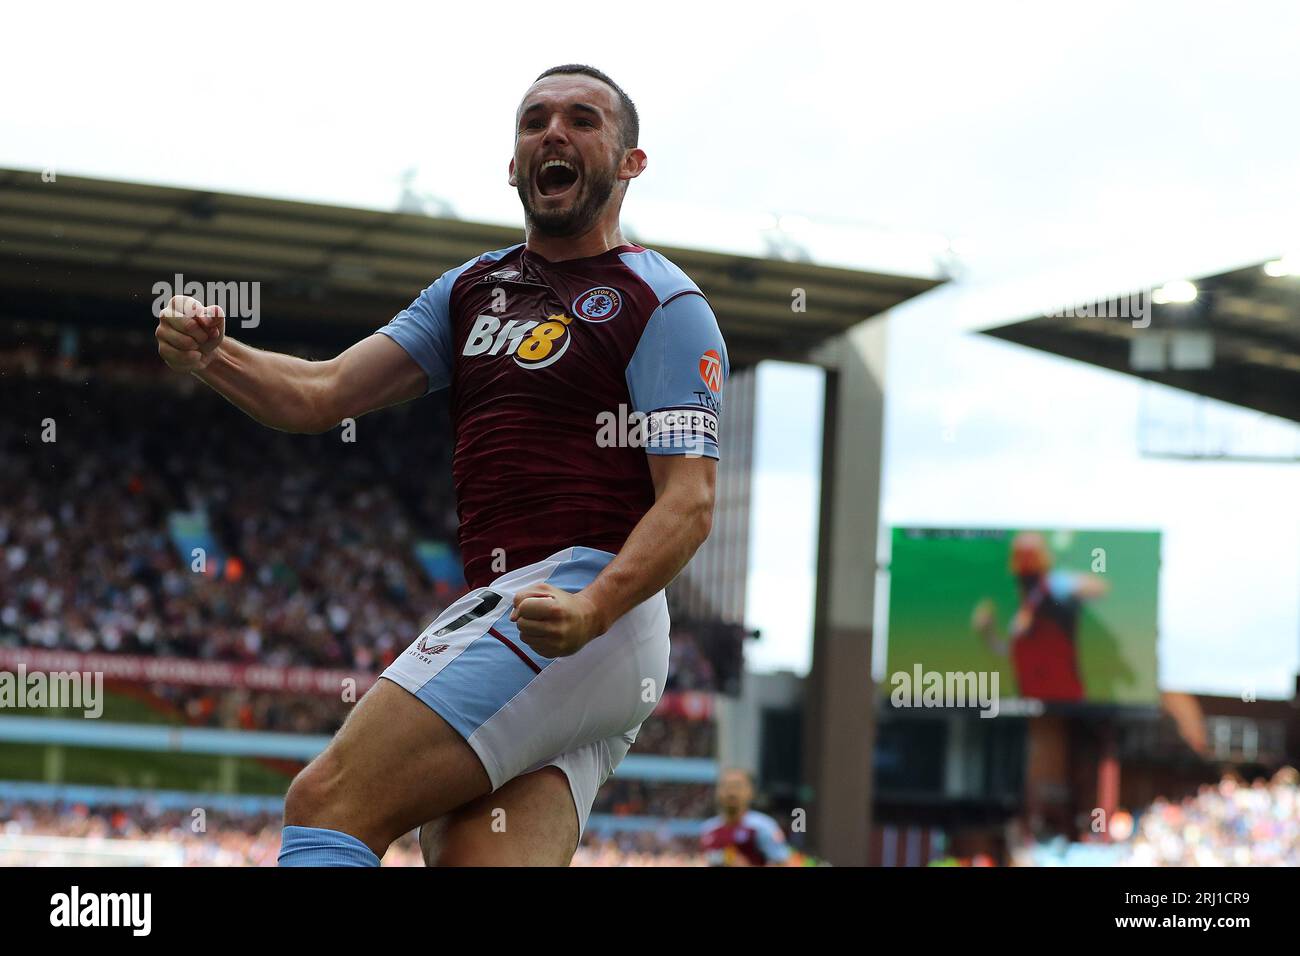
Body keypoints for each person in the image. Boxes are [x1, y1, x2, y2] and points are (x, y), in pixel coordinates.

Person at [153, 64, 728, 866]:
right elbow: (320, 393)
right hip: (554, 628)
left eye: (582, 120)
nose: (553, 132)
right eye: (534, 121)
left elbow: (690, 502)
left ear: (632, 162)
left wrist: (593, 607)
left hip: (584, 604)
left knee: (328, 803)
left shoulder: (662, 303)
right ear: (513, 164)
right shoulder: (469, 290)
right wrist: (213, 356)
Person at [971, 531, 1108, 701]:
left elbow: (1098, 588)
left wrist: (1058, 584)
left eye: (1029, 557)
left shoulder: (1052, 593)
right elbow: (1013, 652)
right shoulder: (1022, 612)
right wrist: (988, 633)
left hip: (1065, 703)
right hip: (1031, 703)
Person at [700, 768, 793, 866]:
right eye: (726, 786)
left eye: (737, 786)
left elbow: (783, 862)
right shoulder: (709, 828)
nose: (731, 792)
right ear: (717, 792)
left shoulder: (764, 827)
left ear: (750, 792)